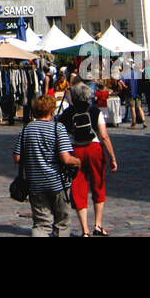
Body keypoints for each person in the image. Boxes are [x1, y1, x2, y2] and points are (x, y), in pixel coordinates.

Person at [14, 94, 81, 236]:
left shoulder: (26, 130)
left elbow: (17, 157)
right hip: (57, 183)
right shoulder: (58, 128)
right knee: (62, 222)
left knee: (41, 223)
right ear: (52, 111)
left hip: (35, 183)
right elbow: (66, 158)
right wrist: (78, 161)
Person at [58, 82, 117, 236]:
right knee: (98, 185)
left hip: (75, 150)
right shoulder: (94, 111)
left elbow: (60, 134)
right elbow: (104, 136)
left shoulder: (68, 113)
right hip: (94, 148)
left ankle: (85, 230)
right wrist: (112, 157)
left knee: (78, 188)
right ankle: (98, 225)